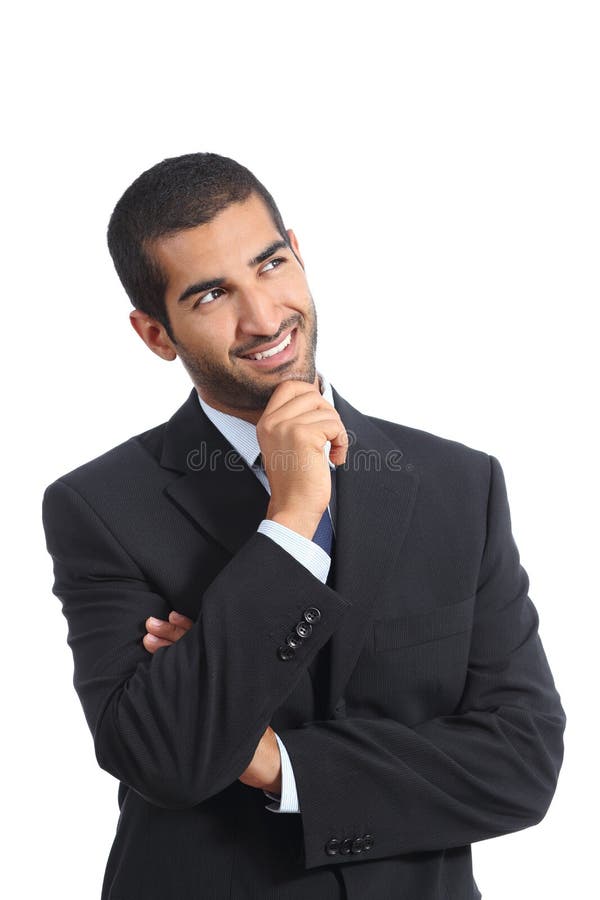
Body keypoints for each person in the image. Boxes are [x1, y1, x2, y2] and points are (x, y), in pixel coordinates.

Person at [41, 152, 565, 900]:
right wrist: (291, 519)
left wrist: (269, 758)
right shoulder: (101, 507)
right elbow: (163, 757)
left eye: (270, 264)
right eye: (213, 293)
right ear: (156, 335)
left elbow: (522, 767)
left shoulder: (460, 485)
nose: (263, 317)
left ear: (298, 251)